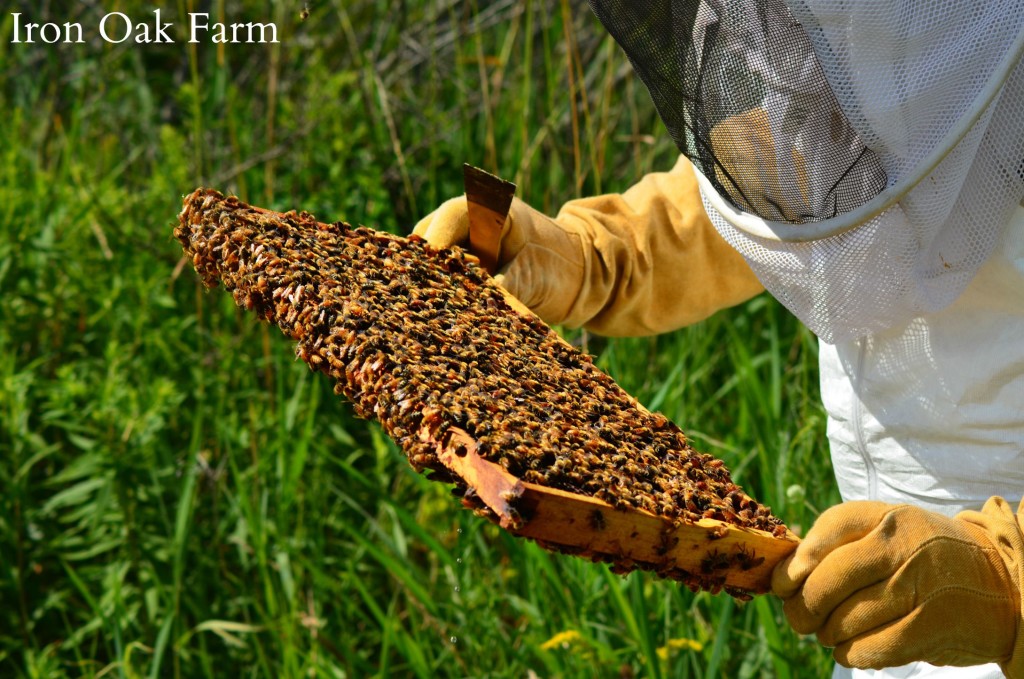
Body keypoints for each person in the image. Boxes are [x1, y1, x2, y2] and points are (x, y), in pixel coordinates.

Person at [415, 2, 1024, 677]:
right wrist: (592, 252)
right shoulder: (903, 41)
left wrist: (1007, 582)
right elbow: (804, 187)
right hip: (880, 617)